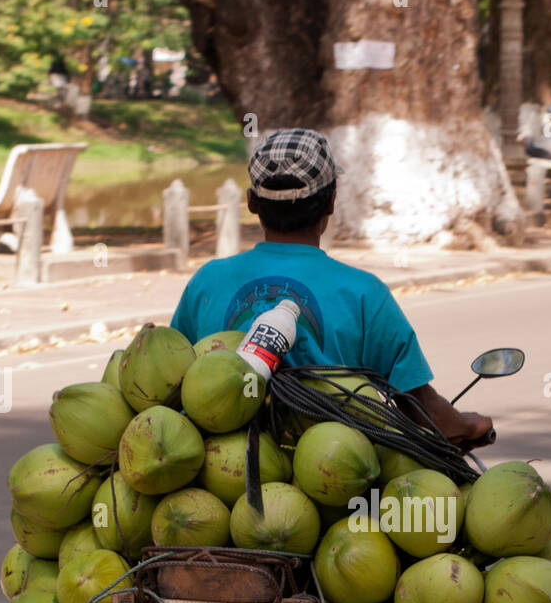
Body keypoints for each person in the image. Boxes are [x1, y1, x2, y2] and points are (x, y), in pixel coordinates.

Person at [170, 128, 491, 444]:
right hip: (336, 482)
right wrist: (467, 425)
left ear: (252, 202)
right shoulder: (365, 294)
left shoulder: (207, 282)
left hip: (220, 482)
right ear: (331, 202)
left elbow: (173, 381)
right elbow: (419, 407)